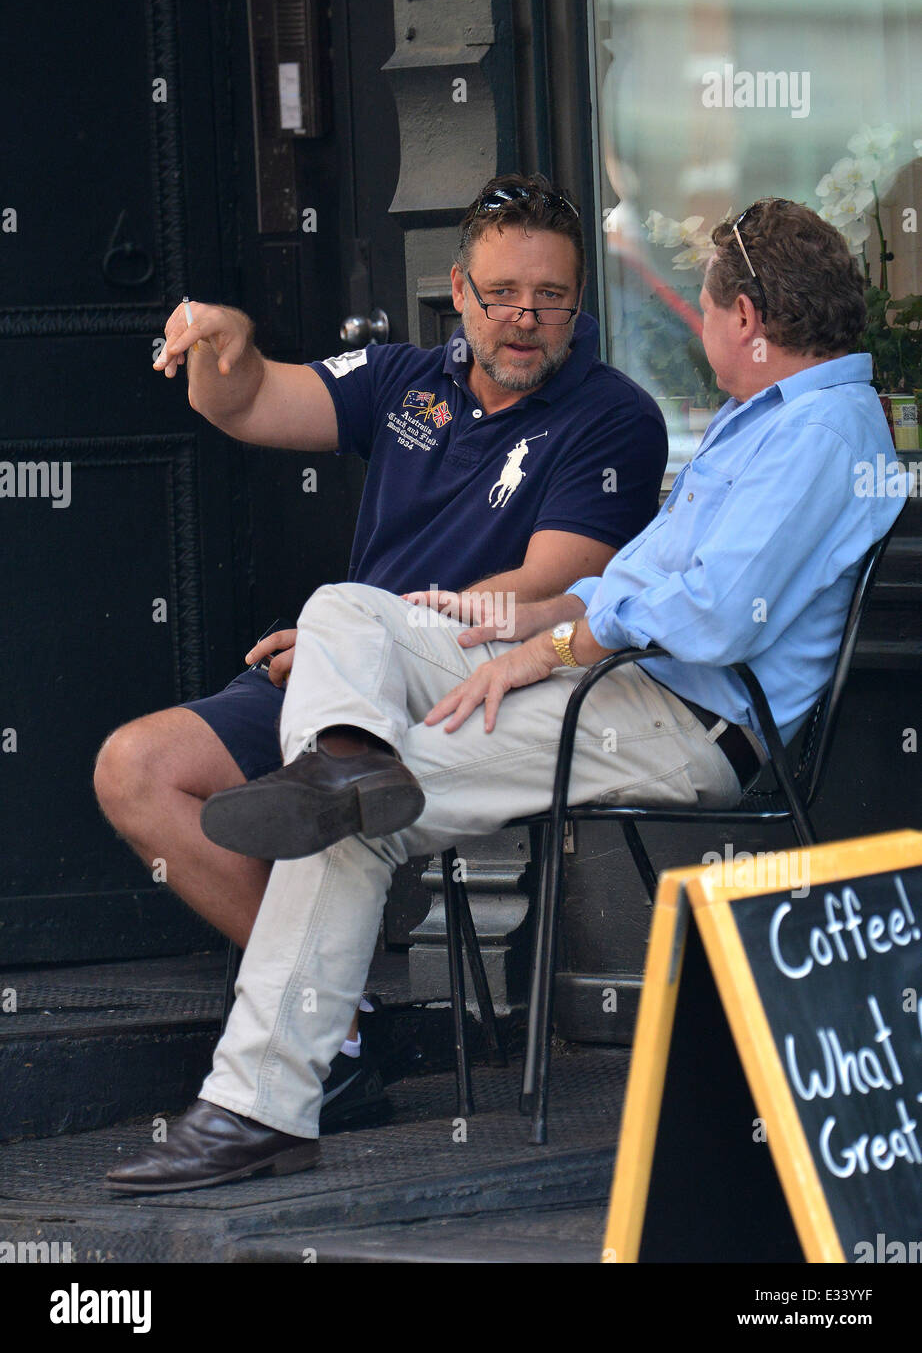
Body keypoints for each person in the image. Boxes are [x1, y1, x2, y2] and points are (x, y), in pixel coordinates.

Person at [105, 195, 905, 1194]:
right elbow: (641, 587)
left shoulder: (818, 436)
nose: (698, 330)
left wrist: (553, 642)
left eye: (702, 310)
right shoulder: (774, 422)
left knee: (356, 824)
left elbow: (711, 619)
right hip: (615, 677)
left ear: (745, 319)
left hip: (678, 718)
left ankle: (257, 1107)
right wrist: (528, 630)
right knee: (344, 611)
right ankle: (341, 751)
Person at [93, 174, 667, 1130]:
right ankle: (345, 1023)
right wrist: (223, 342)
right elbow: (249, 404)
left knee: (330, 734)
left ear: (579, 302)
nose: (524, 319)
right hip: (339, 678)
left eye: (551, 297)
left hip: (463, 693)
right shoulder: (407, 378)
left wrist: (353, 628)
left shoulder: (614, 418)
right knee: (134, 768)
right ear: (458, 289)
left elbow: (539, 591)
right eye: (500, 295)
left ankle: (300, 1037)